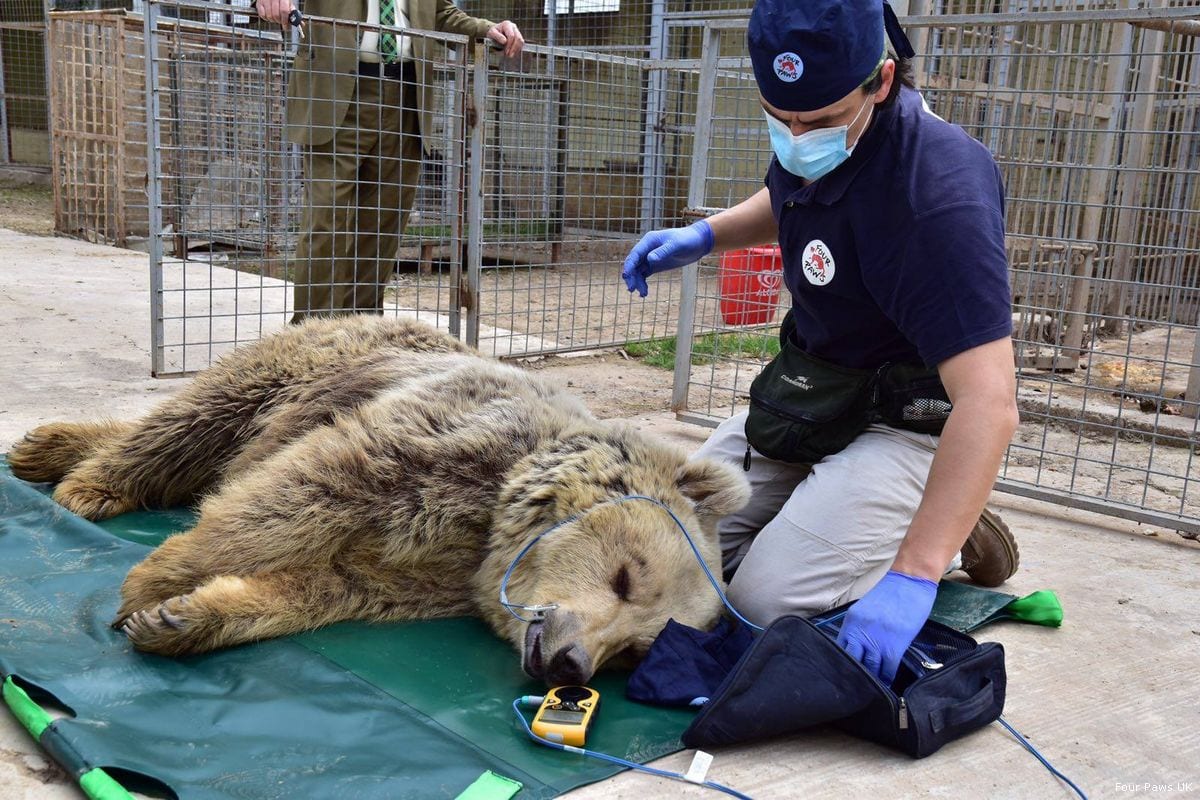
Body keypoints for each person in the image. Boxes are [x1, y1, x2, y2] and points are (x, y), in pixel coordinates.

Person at [621, 0, 1020, 686]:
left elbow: (989, 404)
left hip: (908, 421)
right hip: (817, 396)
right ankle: (841, 506)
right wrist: (707, 235)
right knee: (669, 548)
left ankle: (947, 525)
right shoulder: (819, 130)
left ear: (882, 81)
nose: (798, 137)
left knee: (761, 607)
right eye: (780, 118)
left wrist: (916, 574)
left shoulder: (937, 198)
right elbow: (788, 194)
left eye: (819, 121)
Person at [254, 0, 524, 321]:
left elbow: (440, 12)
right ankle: (314, 331)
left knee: (384, 224)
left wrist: (487, 30)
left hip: (406, 95)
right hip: (338, 91)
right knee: (326, 218)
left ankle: (364, 327)